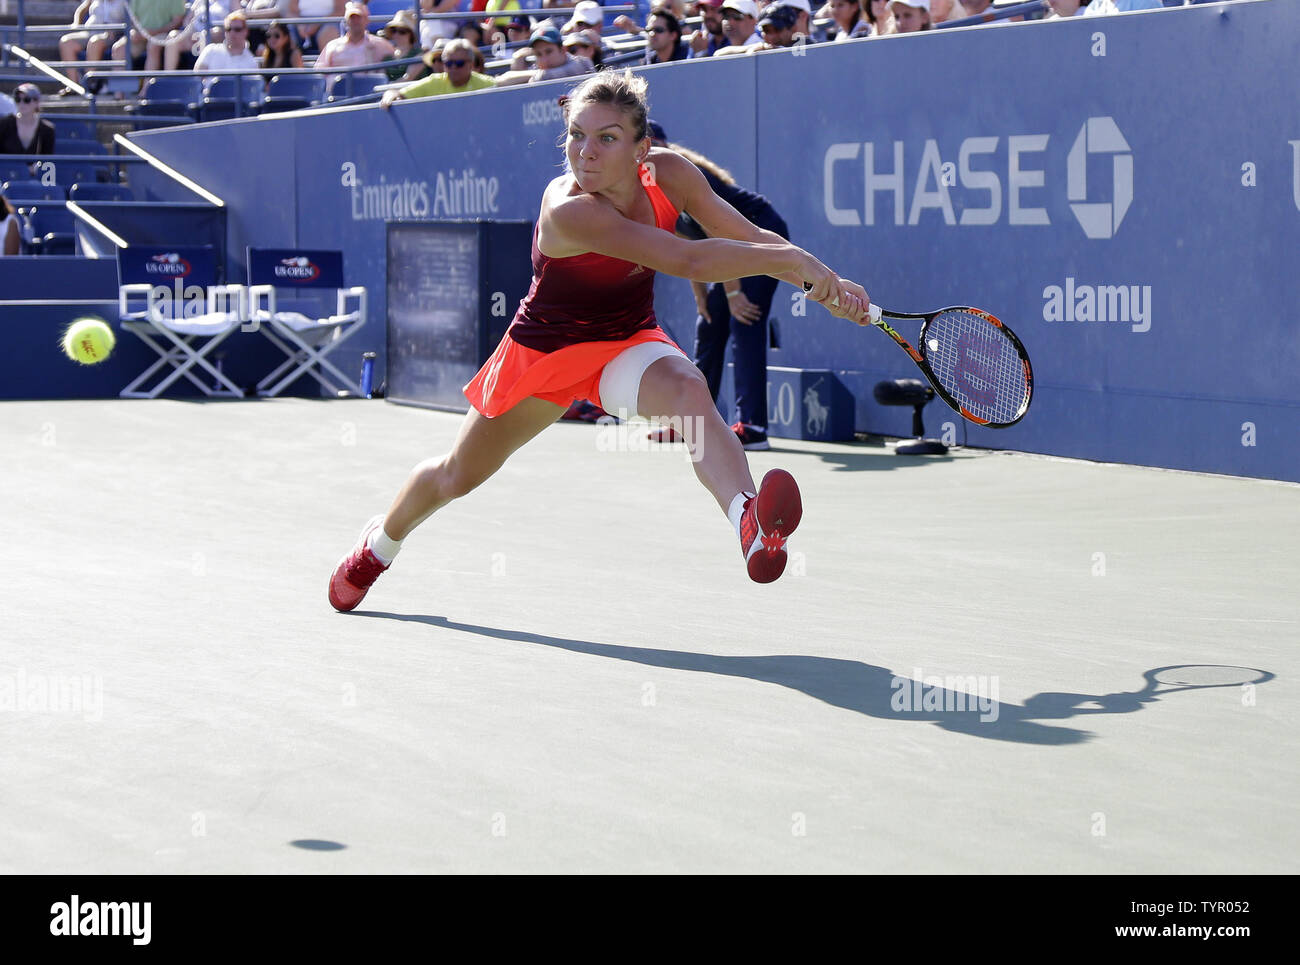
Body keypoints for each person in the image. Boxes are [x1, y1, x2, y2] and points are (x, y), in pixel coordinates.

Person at [328, 70, 869, 611]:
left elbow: (744, 236)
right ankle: (379, 545)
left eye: (607, 138)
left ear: (642, 148)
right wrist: (795, 265)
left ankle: (747, 519)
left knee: (688, 390)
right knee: (455, 477)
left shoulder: (672, 174)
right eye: (576, 135)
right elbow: (688, 259)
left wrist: (827, 279)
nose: (585, 152)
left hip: (626, 338)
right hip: (544, 354)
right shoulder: (568, 210)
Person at [655, 128, 791, 451]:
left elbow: (720, 235)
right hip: (731, 248)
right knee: (710, 322)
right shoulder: (650, 188)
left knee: (744, 317)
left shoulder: (685, 173)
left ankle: (754, 427)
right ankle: (694, 424)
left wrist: (732, 293)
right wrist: (702, 296)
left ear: (657, 145)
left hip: (762, 237)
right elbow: (689, 240)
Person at [379, 37, 493, 103]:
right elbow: (398, 94)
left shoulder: (485, 83)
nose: (453, 68)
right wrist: (390, 95)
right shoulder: (433, 82)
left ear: (471, 64)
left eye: (459, 63)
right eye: (448, 63)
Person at [316, 2, 396, 90]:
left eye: (359, 17)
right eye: (352, 18)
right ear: (346, 21)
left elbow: (396, 63)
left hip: (368, 94)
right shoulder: (332, 46)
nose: (355, 21)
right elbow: (319, 73)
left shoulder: (381, 44)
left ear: (367, 20)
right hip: (336, 96)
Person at [494, 26, 592, 87]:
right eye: (538, 54)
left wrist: (530, 75)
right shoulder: (538, 70)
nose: (544, 59)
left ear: (563, 50)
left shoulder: (584, 64)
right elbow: (501, 82)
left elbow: (542, 77)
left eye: (549, 51)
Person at [58, 0, 127, 87]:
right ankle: (73, 85)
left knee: (94, 42)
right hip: (90, 31)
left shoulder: (126, 2)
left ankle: (87, 83)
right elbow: (82, 9)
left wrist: (117, 30)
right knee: (66, 42)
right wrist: (76, 23)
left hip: (113, 34)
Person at [111, 0, 186, 75]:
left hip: (164, 34)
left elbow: (178, 21)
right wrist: (135, 33)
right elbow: (133, 19)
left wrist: (153, 33)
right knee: (119, 49)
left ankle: (147, 85)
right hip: (141, 36)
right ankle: (120, 85)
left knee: (152, 46)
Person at [192, 11, 260, 90]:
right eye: (228, 29)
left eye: (237, 29)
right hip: (209, 100)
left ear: (246, 32)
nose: (232, 33)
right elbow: (196, 79)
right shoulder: (210, 50)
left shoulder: (251, 62)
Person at [0, 85, 56, 155]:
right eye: (18, 99)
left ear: (37, 102)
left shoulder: (47, 129)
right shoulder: (4, 124)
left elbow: (47, 161)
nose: (21, 103)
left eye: (27, 100)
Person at [378, 9, 428, 81]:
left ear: (411, 34)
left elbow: (408, 79)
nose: (397, 34)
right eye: (394, 30)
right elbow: (381, 80)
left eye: (402, 31)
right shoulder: (387, 57)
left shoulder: (419, 55)